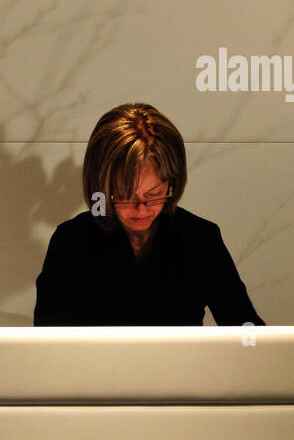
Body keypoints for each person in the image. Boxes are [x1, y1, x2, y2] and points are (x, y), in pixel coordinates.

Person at [33, 103, 266, 326]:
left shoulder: (200, 238)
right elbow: (47, 341)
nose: (142, 208)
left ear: (172, 184)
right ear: (101, 187)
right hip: (90, 368)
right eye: (124, 194)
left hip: (182, 367)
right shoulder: (71, 241)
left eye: (155, 193)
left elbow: (243, 324)